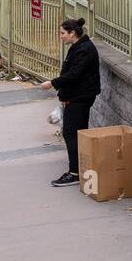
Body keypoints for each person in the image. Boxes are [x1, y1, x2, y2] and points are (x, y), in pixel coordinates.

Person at [40, 17, 100, 188]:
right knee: (77, 133)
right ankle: (80, 167)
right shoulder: (79, 46)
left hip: (80, 97)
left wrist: (52, 83)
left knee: (70, 133)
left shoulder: (84, 49)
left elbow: (74, 74)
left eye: (62, 33)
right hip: (76, 95)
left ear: (73, 33)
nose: (60, 36)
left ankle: (74, 173)